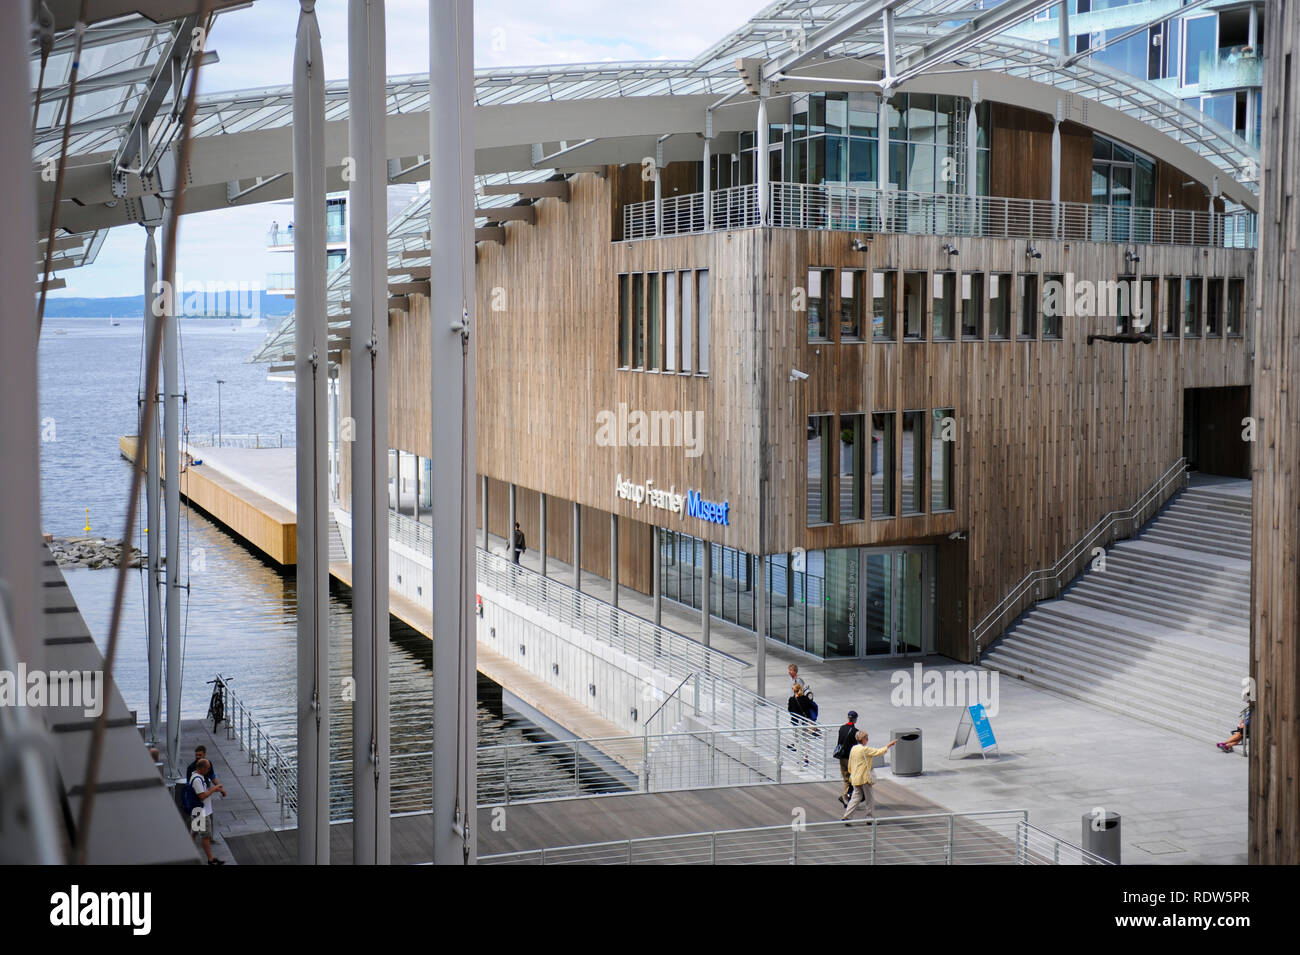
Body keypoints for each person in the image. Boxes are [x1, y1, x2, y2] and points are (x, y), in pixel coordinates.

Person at [842, 729, 897, 822]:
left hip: (855, 778)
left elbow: (850, 764)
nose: (867, 740)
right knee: (869, 799)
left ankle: (847, 816)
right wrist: (889, 745)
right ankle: (869, 818)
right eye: (866, 739)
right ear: (863, 739)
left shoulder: (853, 749)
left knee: (855, 798)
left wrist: (852, 774)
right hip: (865, 778)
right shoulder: (865, 749)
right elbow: (879, 752)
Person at [189, 758, 226, 865]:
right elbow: (202, 795)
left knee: (194, 831)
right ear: (202, 768)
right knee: (205, 836)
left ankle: (188, 852)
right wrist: (214, 789)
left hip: (197, 810)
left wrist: (217, 788)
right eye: (208, 768)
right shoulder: (197, 780)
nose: (209, 770)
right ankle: (211, 859)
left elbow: (204, 791)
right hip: (201, 812)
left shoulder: (198, 777)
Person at [833, 711, 859, 808]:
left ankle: (846, 797)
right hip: (849, 758)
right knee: (850, 779)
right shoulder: (855, 731)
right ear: (855, 719)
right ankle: (845, 797)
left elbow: (839, 741)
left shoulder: (842, 728)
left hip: (841, 756)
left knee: (845, 778)